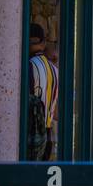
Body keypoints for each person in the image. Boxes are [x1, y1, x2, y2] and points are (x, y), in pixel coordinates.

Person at [27, 23, 58, 161]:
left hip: (32, 135)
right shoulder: (54, 69)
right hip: (49, 133)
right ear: (43, 42)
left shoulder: (29, 66)